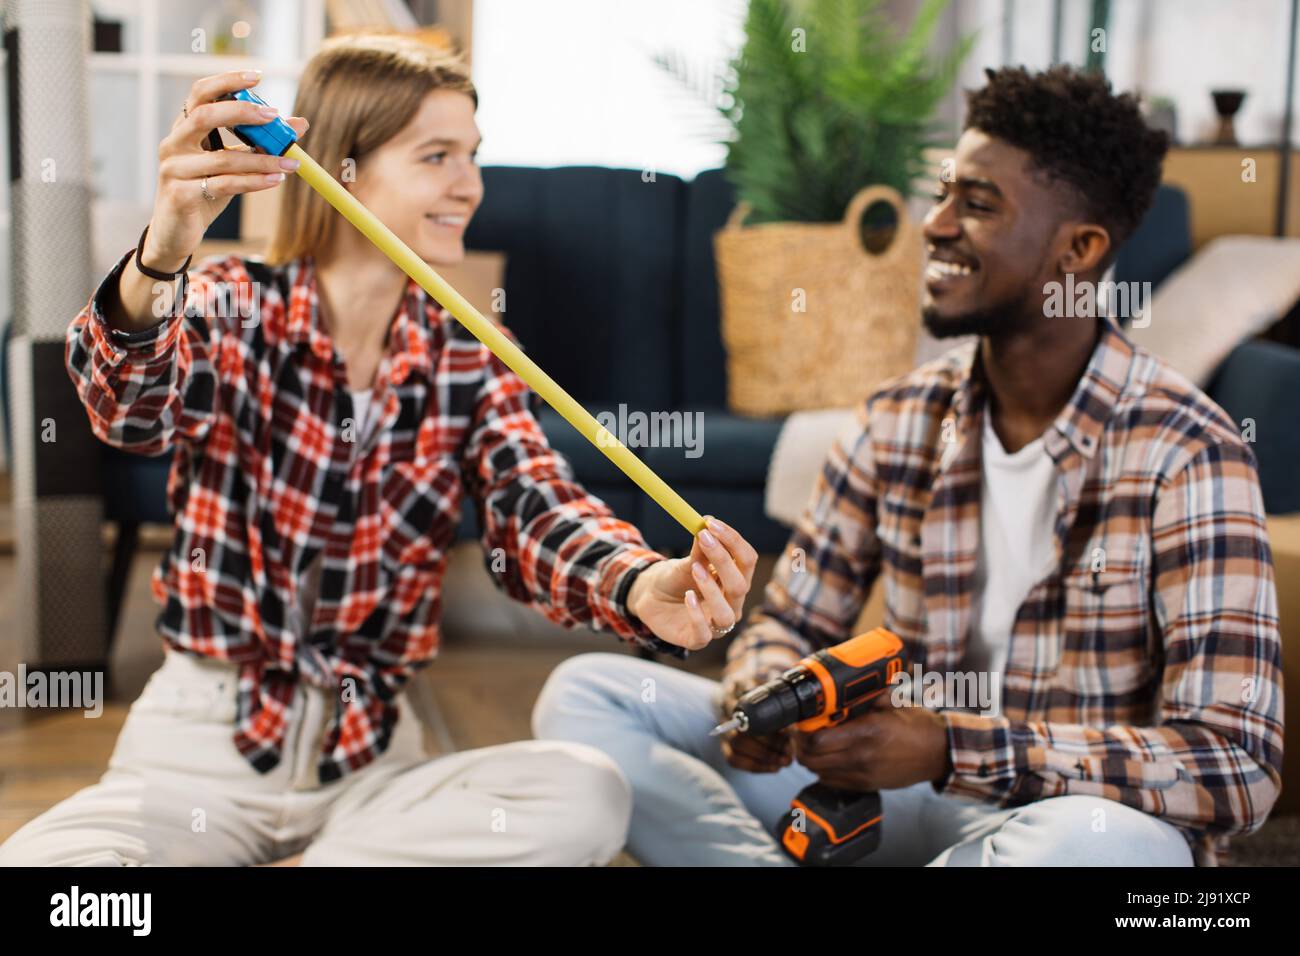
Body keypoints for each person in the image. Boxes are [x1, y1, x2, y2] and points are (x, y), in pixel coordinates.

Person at [0, 32, 757, 867]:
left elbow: (532, 504)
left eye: (473, 156)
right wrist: (163, 253)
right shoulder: (227, 300)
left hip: (374, 769)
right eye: (437, 157)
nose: (470, 187)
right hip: (198, 756)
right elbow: (127, 414)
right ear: (343, 168)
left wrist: (641, 582)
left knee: (586, 791)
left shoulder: (469, 347)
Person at [533, 65, 1284, 867]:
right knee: (592, 696)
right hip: (883, 803)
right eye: (944, 193)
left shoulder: (1188, 449)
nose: (935, 225)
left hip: (1054, 821)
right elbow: (790, 623)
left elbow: (1235, 764)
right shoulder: (899, 419)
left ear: (1080, 249)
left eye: (978, 204)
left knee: (1114, 851)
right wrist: (765, 698)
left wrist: (950, 746)